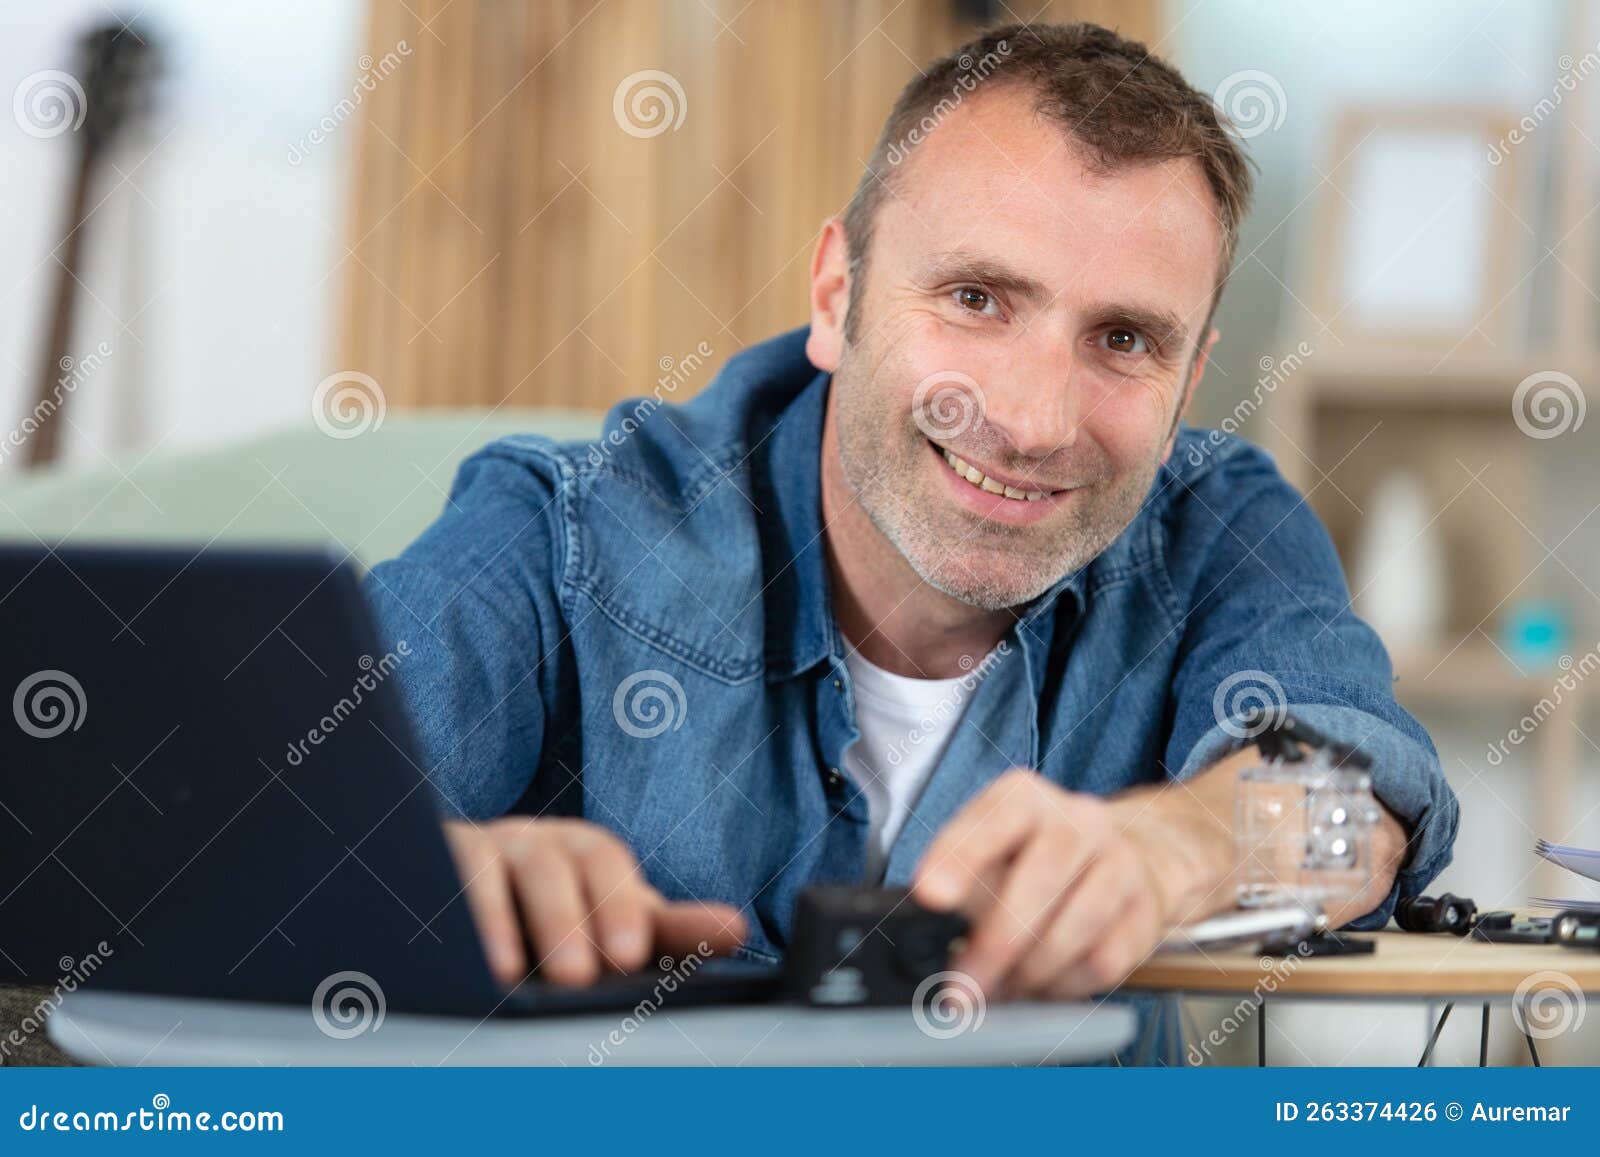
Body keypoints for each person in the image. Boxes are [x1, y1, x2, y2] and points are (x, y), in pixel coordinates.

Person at [365, 21, 1456, 1006]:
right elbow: (281, 811)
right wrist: (419, 865)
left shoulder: (1220, 528)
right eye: (976, 299)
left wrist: (1184, 845)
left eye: (1124, 340)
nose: (1032, 423)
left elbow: (1359, 808)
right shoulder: (566, 528)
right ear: (836, 294)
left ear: (1187, 386)